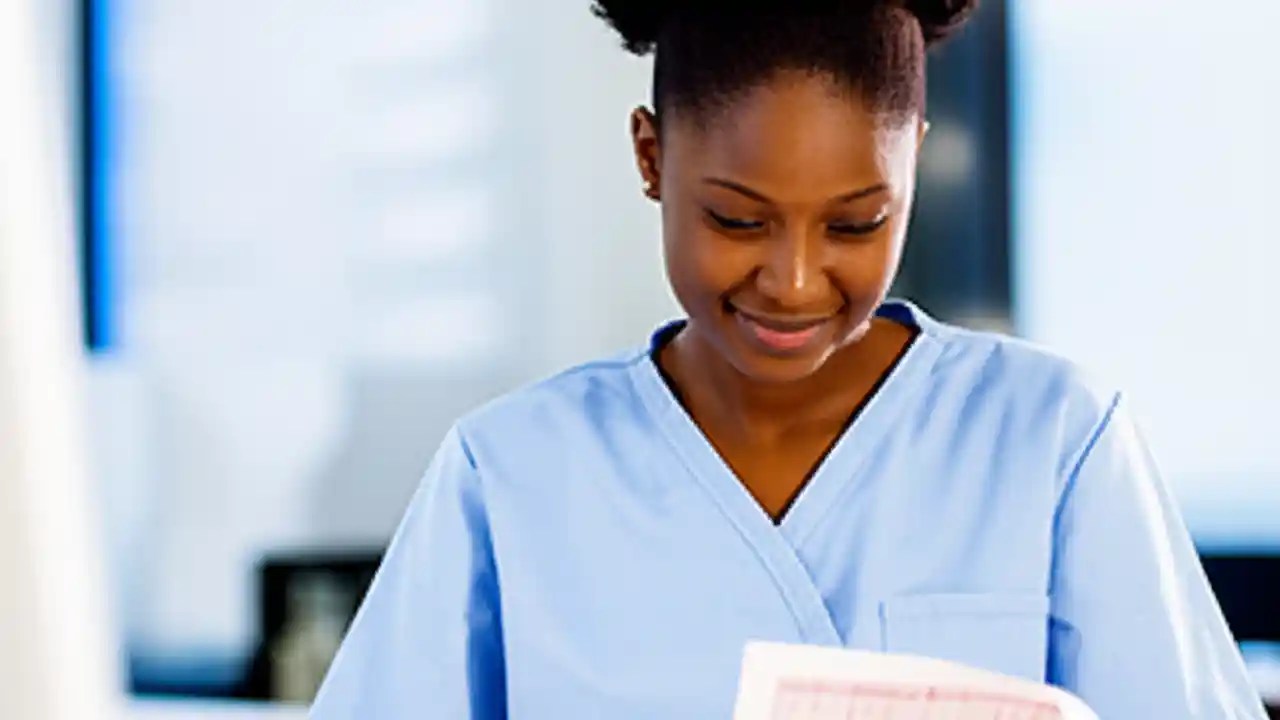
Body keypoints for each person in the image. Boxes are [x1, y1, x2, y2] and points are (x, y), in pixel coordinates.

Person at [310, 2, 1265, 717]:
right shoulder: (510, 472)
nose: (795, 282)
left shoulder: (1054, 439)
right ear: (651, 157)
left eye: (857, 223)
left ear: (915, 166)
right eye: (736, 219)